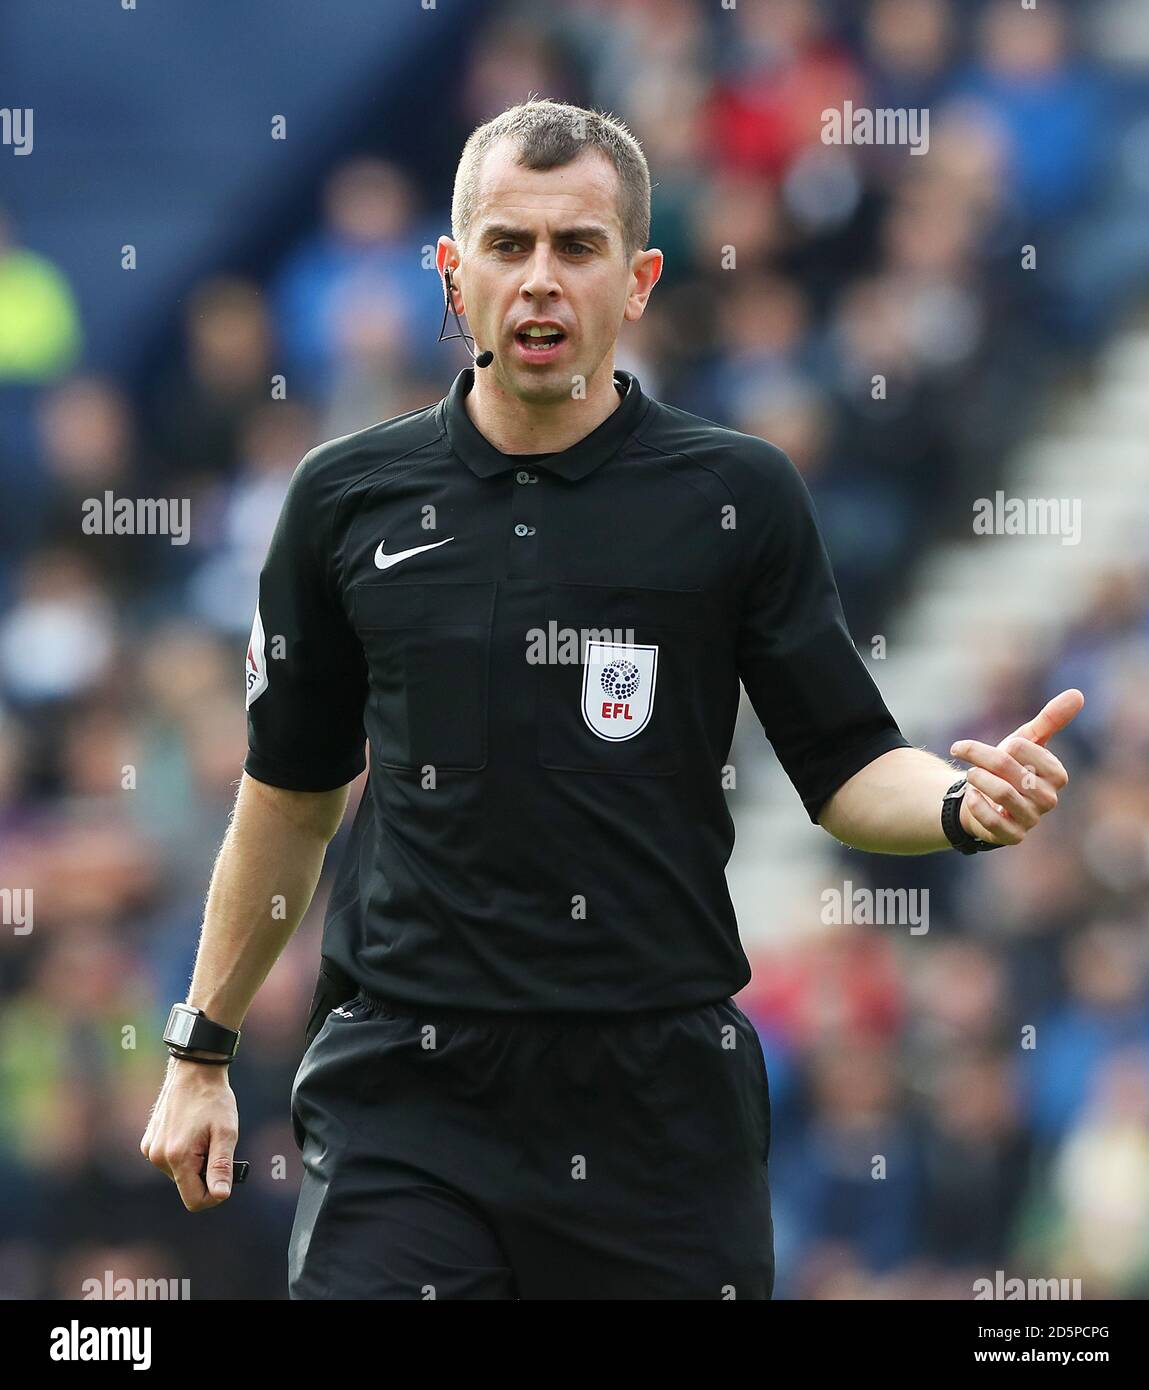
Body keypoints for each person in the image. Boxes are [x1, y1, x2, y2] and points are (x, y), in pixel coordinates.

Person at [141, 98, 1081, 1300]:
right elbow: (287, 802)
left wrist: (961, 803)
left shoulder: (734, 495)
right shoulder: (344, 500)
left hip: (656, 1108)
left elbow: (847, 768)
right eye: (507, 245)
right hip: (409, 1093)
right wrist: (200, 1048)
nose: (541, 281)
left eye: (577, 248)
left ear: (636, 280)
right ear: (450, 272)